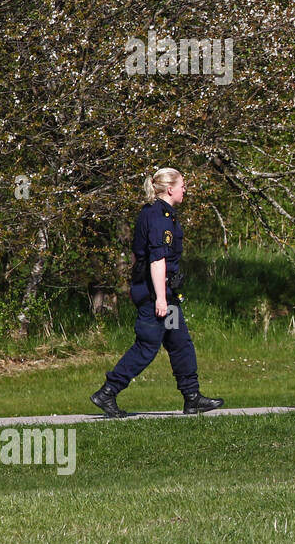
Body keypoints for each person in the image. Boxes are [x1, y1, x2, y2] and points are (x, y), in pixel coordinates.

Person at [90, 168, 224, 418]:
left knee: (179, 343)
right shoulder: (158, 217)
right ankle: (108, 392)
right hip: (155, 295)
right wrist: (160, 298)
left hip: (167, 294)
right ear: (170, 188)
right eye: (183, 184)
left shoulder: (162, 215)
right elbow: (157, 260)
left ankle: (192, 397)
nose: (185, 189)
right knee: (147, 346)